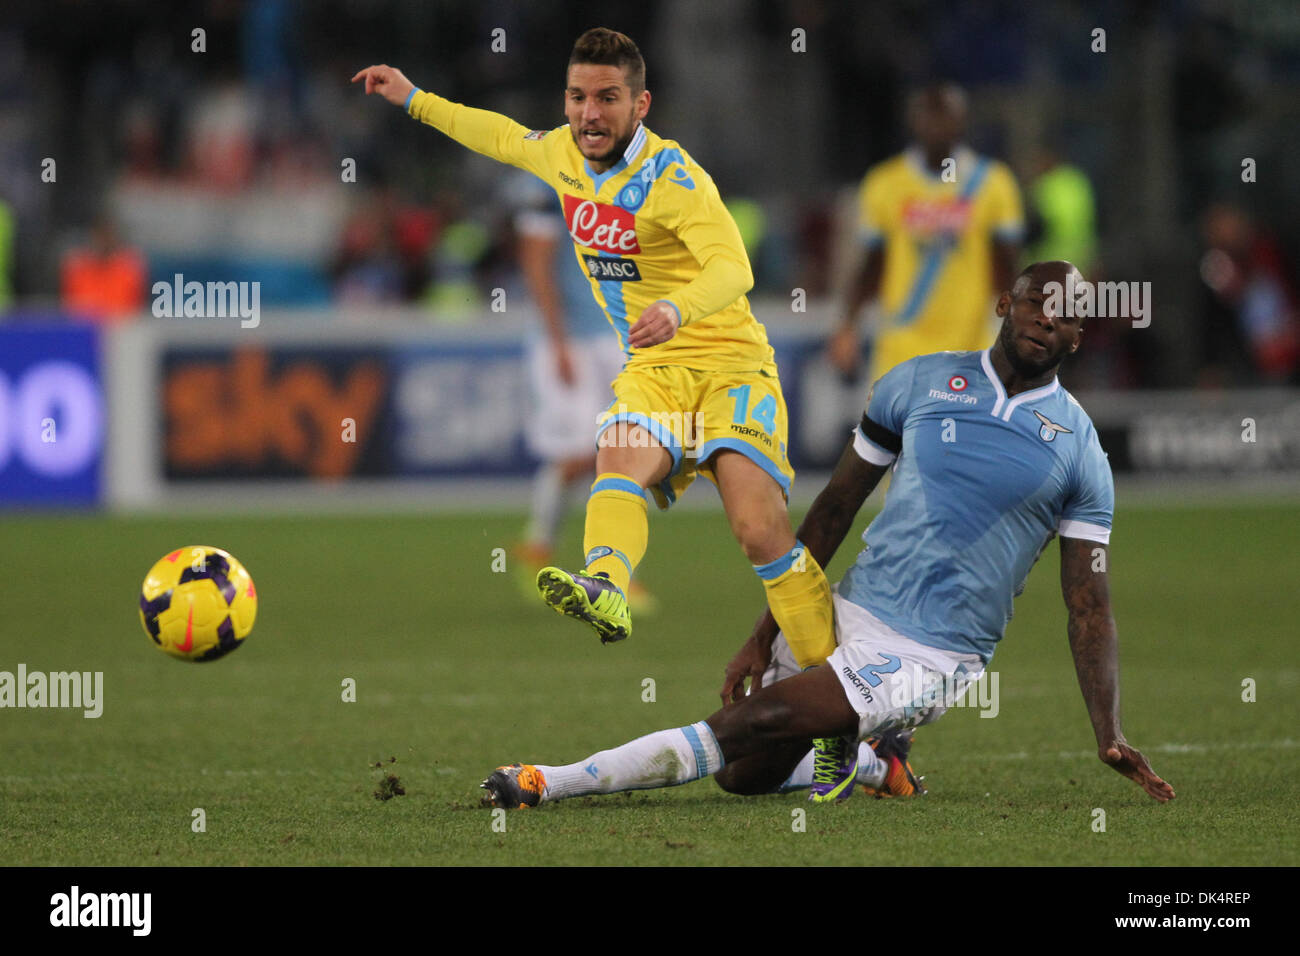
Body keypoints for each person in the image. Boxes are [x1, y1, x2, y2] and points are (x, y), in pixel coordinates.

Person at [479, 261, 1176, 810]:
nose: (1046, 322)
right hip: (845, 611)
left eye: (1066, 319)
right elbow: (836, 507)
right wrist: (767, 626)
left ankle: (550, 781)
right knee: (744, 776)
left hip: (931, 653)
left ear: (1079, 338)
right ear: (1006, 305)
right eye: (1036, 303)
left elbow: (1089, 604)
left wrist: (1108, 731)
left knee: (758, 719)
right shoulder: (917, 384)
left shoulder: (1079, 449)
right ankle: (877, 759)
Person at [353, 32, 837, 699]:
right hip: (654, 369)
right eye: (578, 97)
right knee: (617, 455)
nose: (589, 114)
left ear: (640, 104)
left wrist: (677, 308)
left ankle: (836, 686)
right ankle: (606, 585)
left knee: (758, 533)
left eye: (607, 98)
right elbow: (496, 135)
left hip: (730, 365)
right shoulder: (562, 154)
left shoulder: (676, 180)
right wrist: (414, 99)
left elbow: (735, 267)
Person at [503, 171, 653, 612]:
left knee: (625, 452)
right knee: (579, 456)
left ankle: (612, 576)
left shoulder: (638, 175)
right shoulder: (550, 179)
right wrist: (558, 341)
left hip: (615, 337)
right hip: (571, 340)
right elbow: (536, 261)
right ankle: (540, 548)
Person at [828, 84, 1023, 385]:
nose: (937, 125)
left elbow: (1007, 269)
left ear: (962, 121)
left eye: (945, 115)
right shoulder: (885, 183)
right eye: (929, 116)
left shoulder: (993, 183)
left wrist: (1018, 333)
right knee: (896, 431)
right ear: (913, 121)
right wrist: (848, 325)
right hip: (901, 350)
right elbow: (872, 265)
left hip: (969, 351)